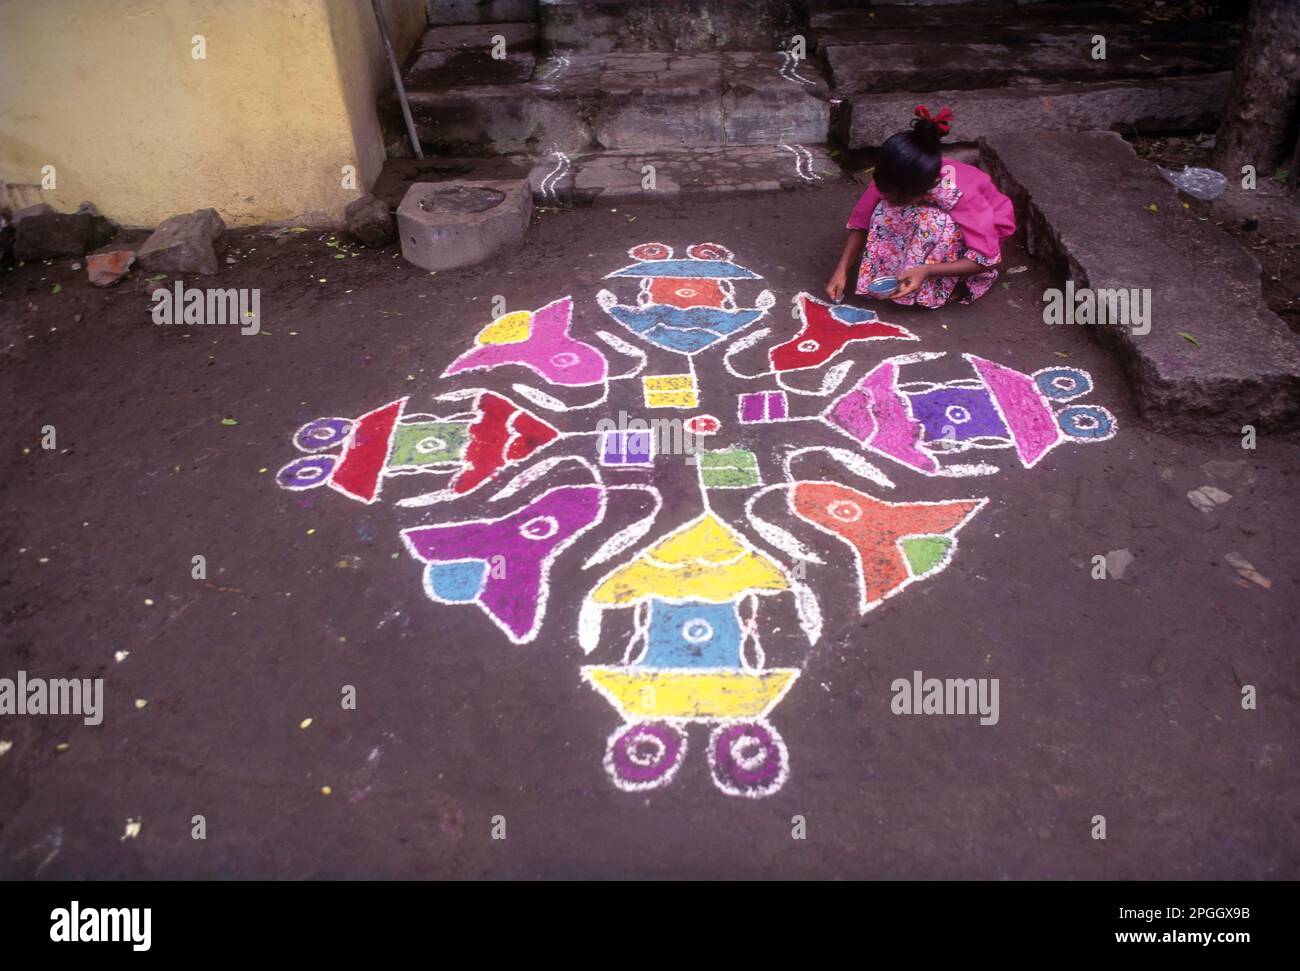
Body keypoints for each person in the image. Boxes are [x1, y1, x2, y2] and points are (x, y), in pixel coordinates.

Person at [826, 105, 1016, 309]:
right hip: (937, 211)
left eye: (901, 199)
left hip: (983, 235)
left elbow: (989, 258)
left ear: (929, 186)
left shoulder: (961, 195)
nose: (890, 200)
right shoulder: (894, 177)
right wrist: (842, 270)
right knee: (885, 212)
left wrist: (927, 270)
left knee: (932, 222)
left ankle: (950, 285)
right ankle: (900, 270)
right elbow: (861, 223)